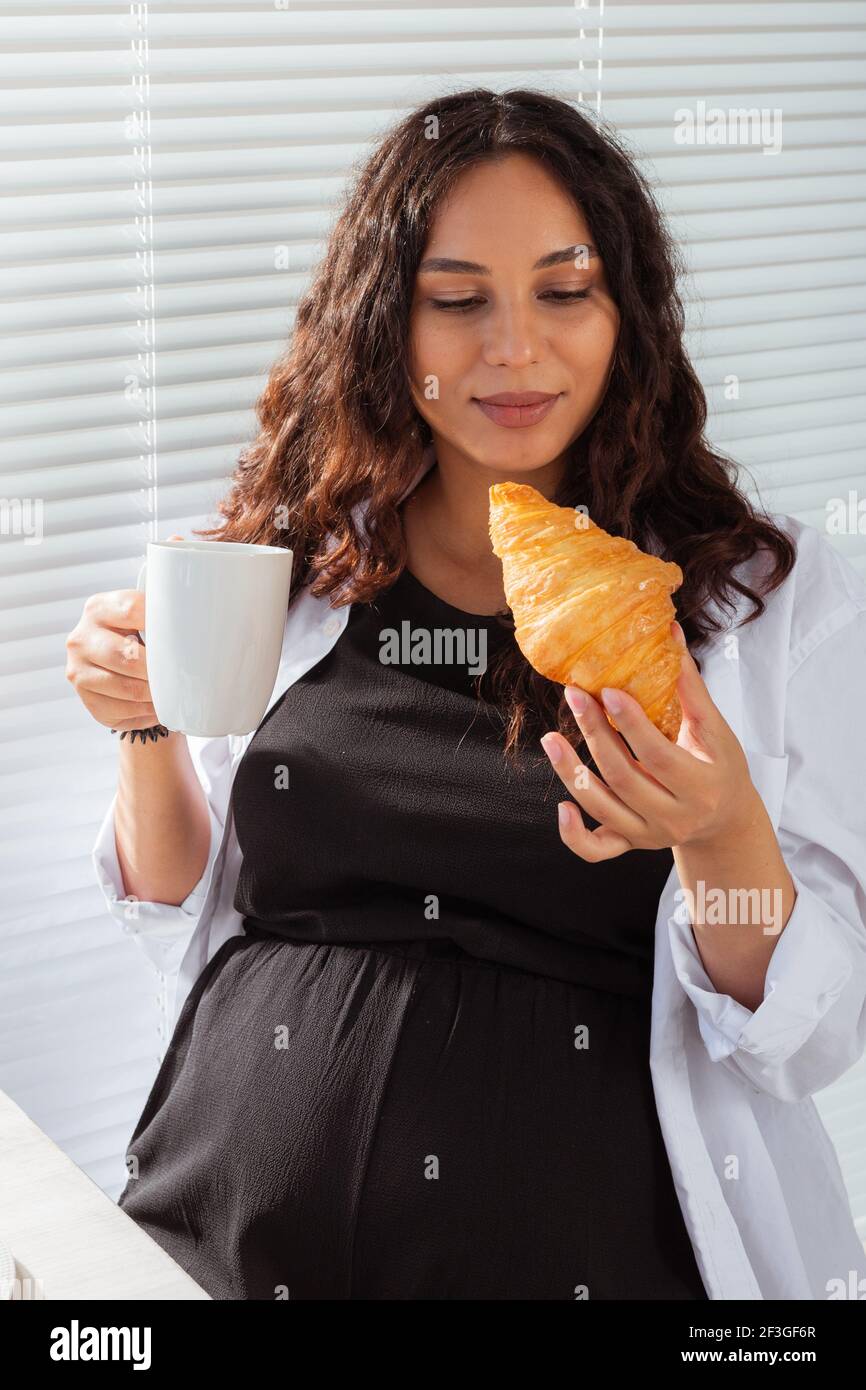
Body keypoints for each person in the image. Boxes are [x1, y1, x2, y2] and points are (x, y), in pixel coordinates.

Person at [68, 89, 866, 1300]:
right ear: (385, 323)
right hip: (212, 1243)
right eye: (456, 301)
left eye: (562, 290)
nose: (512, 349)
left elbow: (806, 1038)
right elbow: (183, 917)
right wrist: (141, 724)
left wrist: (716, 827)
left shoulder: (761, 602)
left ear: (627, 313)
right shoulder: (280, 570)